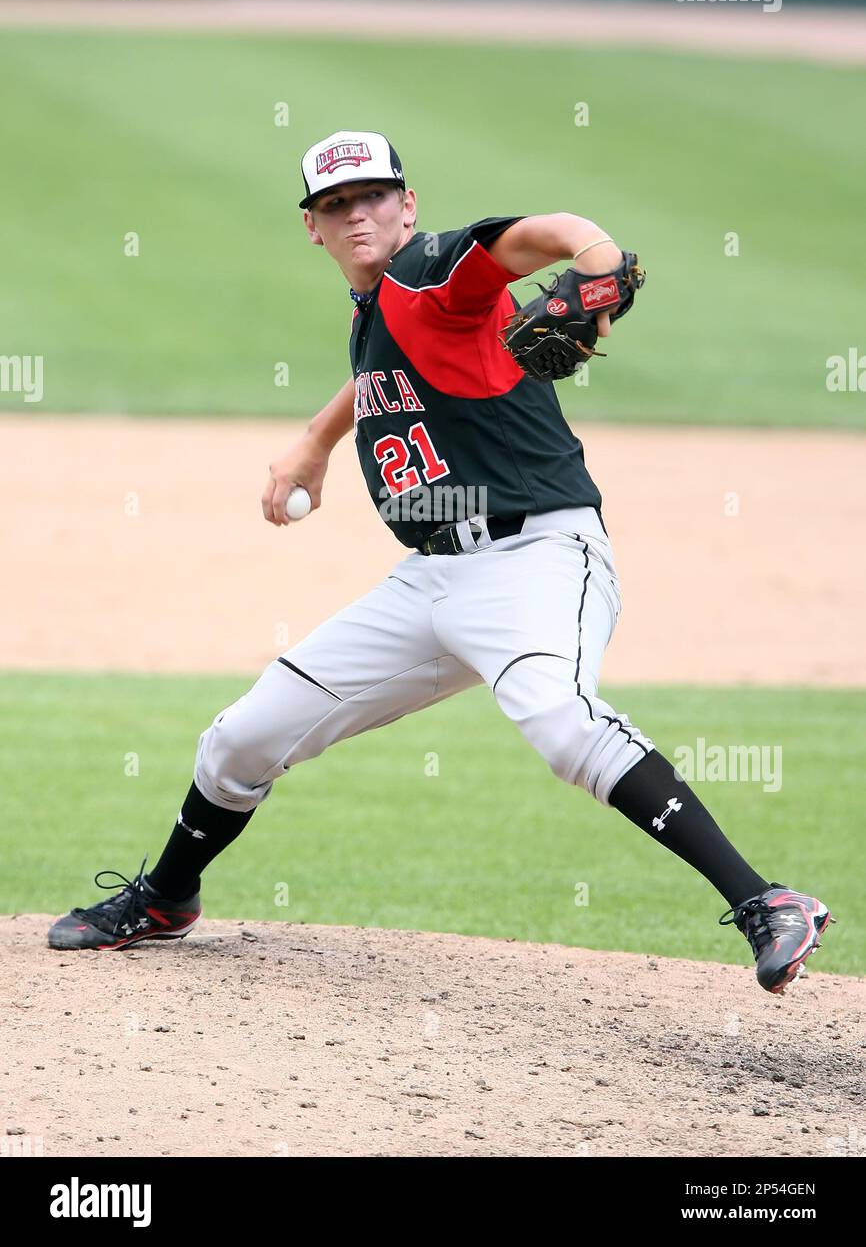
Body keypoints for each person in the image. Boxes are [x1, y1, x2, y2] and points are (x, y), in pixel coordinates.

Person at [48, 129, 833, 995]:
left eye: (374, 197)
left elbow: (550, 233)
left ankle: (767, 902)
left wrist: (598, 261)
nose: (358, 216)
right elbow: (385, 370)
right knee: (243, 736)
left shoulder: (430, 268)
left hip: (539, 554)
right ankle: (166, 897)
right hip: (430, 583)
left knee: (561, 722)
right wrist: (315, 440)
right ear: (312, 226)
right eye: (336, 205)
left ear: (407, 205)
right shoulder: (381, 305)